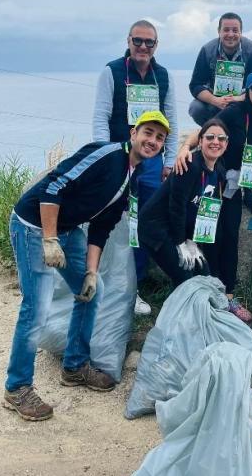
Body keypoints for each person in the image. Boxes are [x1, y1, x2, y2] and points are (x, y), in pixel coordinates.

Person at [4, 111, 170, 421]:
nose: (152, 141)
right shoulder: (105, 154)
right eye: (148, 132)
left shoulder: (129, 177)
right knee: (36, 307)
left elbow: (101, 228)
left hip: (67, 232)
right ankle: (17, 388)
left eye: (159, 138)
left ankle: (75, 366)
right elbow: (53, 185)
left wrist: (92, 272)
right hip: (33, 226)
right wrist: (49, 239)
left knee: (91, 291)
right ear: (133, 133)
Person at [174, 70, 252, 322]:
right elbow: (206, 130)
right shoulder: (234, 112)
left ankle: (228, 296)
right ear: (247, 92)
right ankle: (208, 292)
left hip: (238, 186)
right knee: (210, 234)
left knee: (231, 235)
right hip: (216, 180)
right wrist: (185, 147)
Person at [92, 20, 178, 316]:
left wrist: (169, 161)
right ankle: (108, 282)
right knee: (117, 221)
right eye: (137, 41)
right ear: (128, 41)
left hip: (152, 161)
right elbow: (101, 117)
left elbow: (172, 120)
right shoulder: (112, 71)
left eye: (149, 42)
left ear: (156, 45)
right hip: (121, 156)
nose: (143, 46)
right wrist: (105, 158)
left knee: (146, 220)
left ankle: (135, 286)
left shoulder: (163, 76)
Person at [138, 118, 231, 290]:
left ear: (226, 143)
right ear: (200, 141)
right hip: (156, 226)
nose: (215, 142)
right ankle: (180, 307)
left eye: (221, 138)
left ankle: (204, 306)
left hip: (180, 230)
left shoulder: (219, 173)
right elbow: (177, 206)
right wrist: (181, 243)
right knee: (185, 277)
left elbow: (205, 211)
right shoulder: (189, 165)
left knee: (204, 274)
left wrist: (192, 241)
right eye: (210, 137)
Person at [188, 12, 252, 126]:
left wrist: (238, 98)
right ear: (219, 31)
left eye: (235, 30)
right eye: (226, 30)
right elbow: (195, 85)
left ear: (241, 32)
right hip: (215, 102)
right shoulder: (207, 50)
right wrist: (215, 100)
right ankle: (211, 130)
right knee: (195, 107)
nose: (230, 34)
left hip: (243, 102)